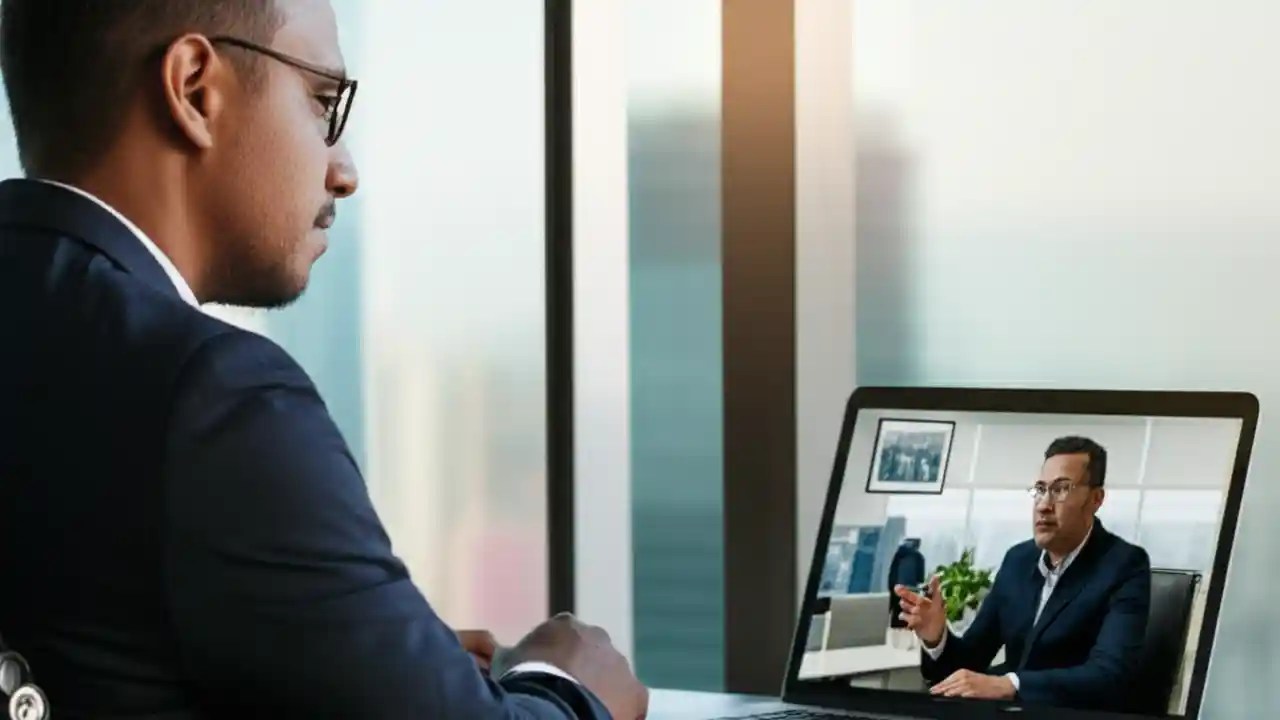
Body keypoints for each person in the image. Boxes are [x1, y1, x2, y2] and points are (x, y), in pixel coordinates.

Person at [0, 1, 646, 718]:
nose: (344, 171)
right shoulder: (216, 398)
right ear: (193, 89)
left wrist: (350, 654)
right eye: (322, 102)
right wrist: (568, 687)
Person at [893, 437, 1151, 711]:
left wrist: (1010, 684)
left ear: (1096, 499)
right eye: (1040, 489)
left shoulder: (1125, 565)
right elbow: (970, 662)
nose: (1043, 504)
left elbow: (1108, 675)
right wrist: (936, 636)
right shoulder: (1018, 559)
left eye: (1061, 489)